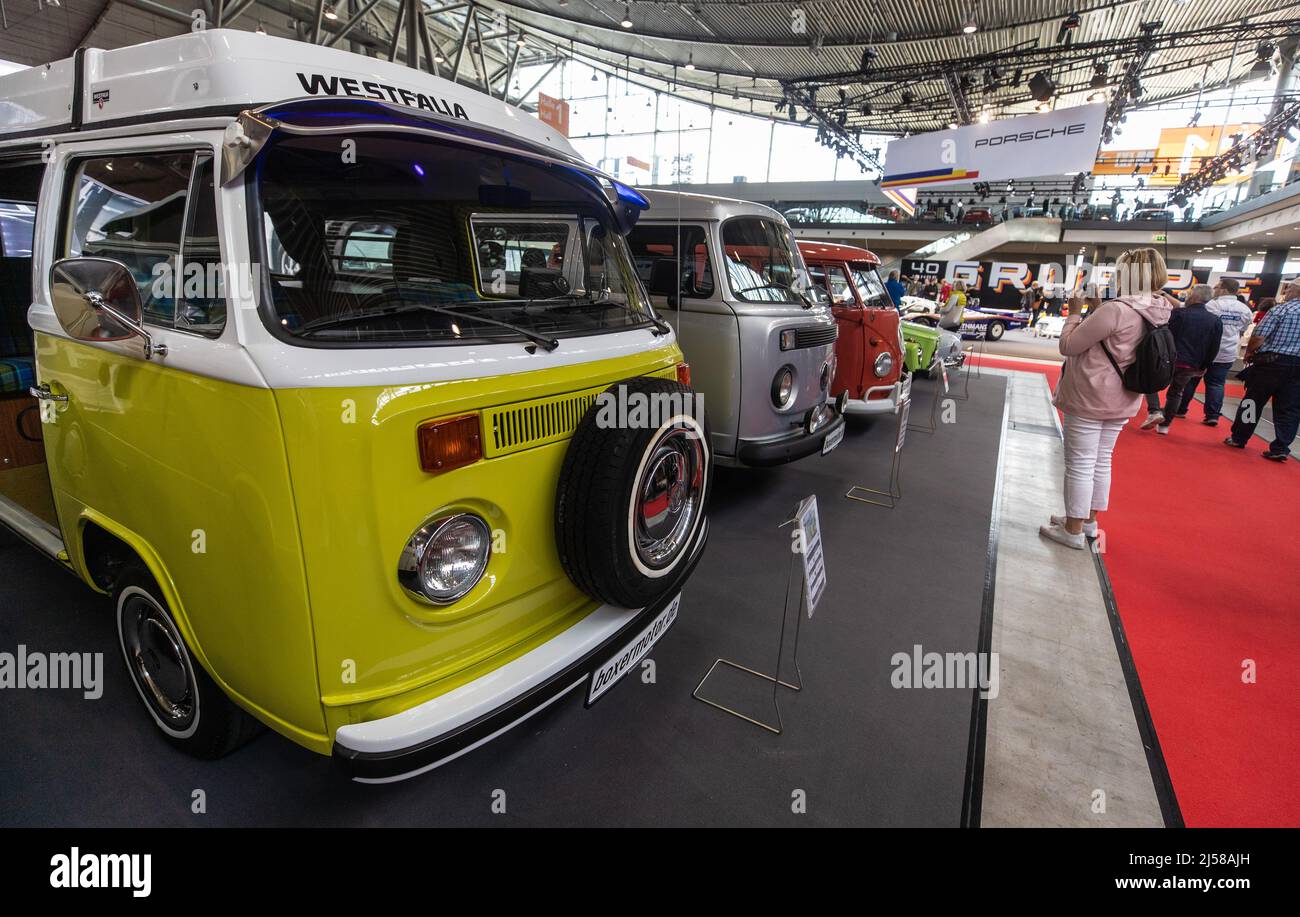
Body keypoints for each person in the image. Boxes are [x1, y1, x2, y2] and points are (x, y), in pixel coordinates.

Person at [1041, 248, 1173, 549]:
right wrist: (1099, 308)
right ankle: (1087, 522)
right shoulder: (1160, 307)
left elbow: (1069, 345)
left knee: (1080, 463)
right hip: (1124, 397)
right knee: (1101, 461)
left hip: (1092, 394)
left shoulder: (1117, 310)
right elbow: (1118, 339)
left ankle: (1071, 530)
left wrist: (1075, 312)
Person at [1225, 278, 1300, 461]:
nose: (1287, 292)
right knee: (1290, 409)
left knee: (1253, 401)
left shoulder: (1282, 309)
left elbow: (1259, 336)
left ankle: (1240, 437)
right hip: (1298, 368)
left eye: (1289, 289)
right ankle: (1281, 447)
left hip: (1271, 364)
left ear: (1296, 291)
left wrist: (1250, 352)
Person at [1142, 284, 1221, 434]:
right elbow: (1213, 346)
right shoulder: (1215, 320)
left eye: (1190, 294)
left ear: (1195, 296)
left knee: (1150, 383)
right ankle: (1165, 426)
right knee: (1176, 392)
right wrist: (1204, 366)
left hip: (1170, 359)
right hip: (1192, 363)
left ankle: (1155, 410)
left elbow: (1166, 336)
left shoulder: (1179, 314)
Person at [1192, 278, 1255, 426]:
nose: (1215, 289)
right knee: (1217, 383)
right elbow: (1243, 330)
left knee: (1192, 379)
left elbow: (1204, 324)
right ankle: (1213, 415)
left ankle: (1180, 409)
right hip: (1228, 351)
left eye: (1217, 287)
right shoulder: (1244, 309)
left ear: (1224, 289)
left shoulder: (1213, 305)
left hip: (1205, 349)